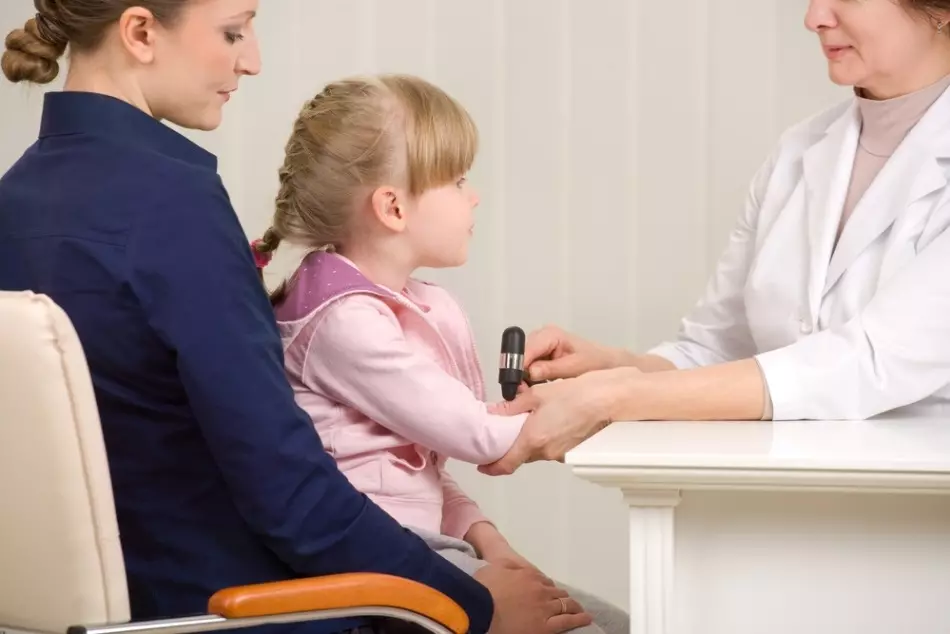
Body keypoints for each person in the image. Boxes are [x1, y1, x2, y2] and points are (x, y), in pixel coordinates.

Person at [0, 2, 586, 634]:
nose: (251, 60)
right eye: (232, 32)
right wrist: (474, 607)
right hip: (244, 607)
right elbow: (291, 497)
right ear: (141, 32)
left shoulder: (15, 197)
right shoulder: (173, 207)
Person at [480, 0, 950, 477]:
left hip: (912, 514)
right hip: (769, 495)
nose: (814, 18)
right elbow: (717, 353)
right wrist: (612, 367)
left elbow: (869, 360)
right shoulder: (801, 150)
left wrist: (615, 397)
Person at [250, 73, 627, 634]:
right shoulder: (345, 323)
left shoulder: (405, 306)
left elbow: (415, 471)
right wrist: (595, 404)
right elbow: (476, 436)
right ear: (393, 208)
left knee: (613, 621)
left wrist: (490, 541)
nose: (472, 195)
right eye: (457, 180)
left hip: (422, 542)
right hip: (375, 564)